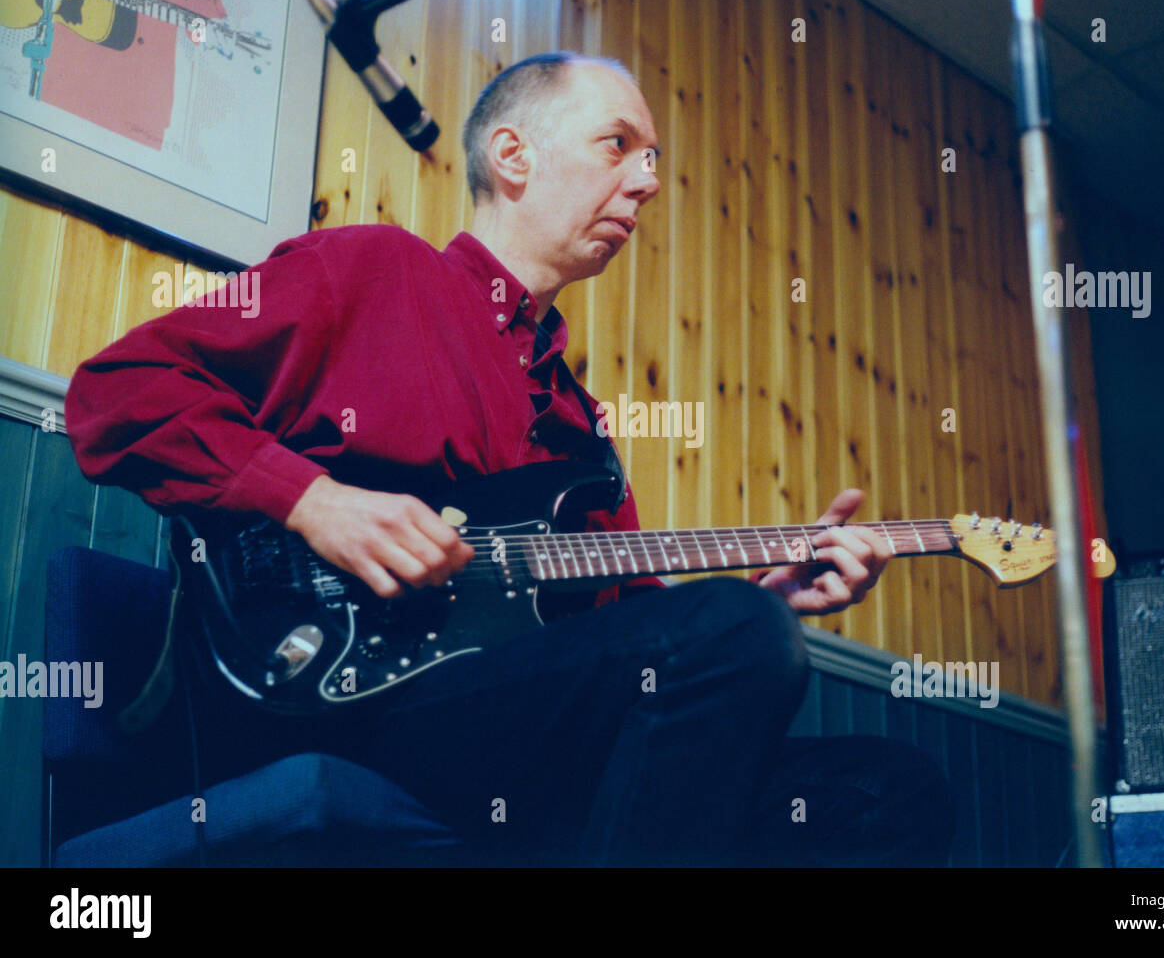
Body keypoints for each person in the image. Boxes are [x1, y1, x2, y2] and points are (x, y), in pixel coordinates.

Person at [65, 51, 955, 866]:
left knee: (889, 792)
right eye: (619, 145)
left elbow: (634, 636)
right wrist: (313, 500)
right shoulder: (369, 271)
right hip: (341, 697)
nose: (647, 182)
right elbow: (115, 392)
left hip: (519, 734)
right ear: (513, 156)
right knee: (728, 636)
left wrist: (768, 606)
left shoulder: (581, 426)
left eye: (653, 161)